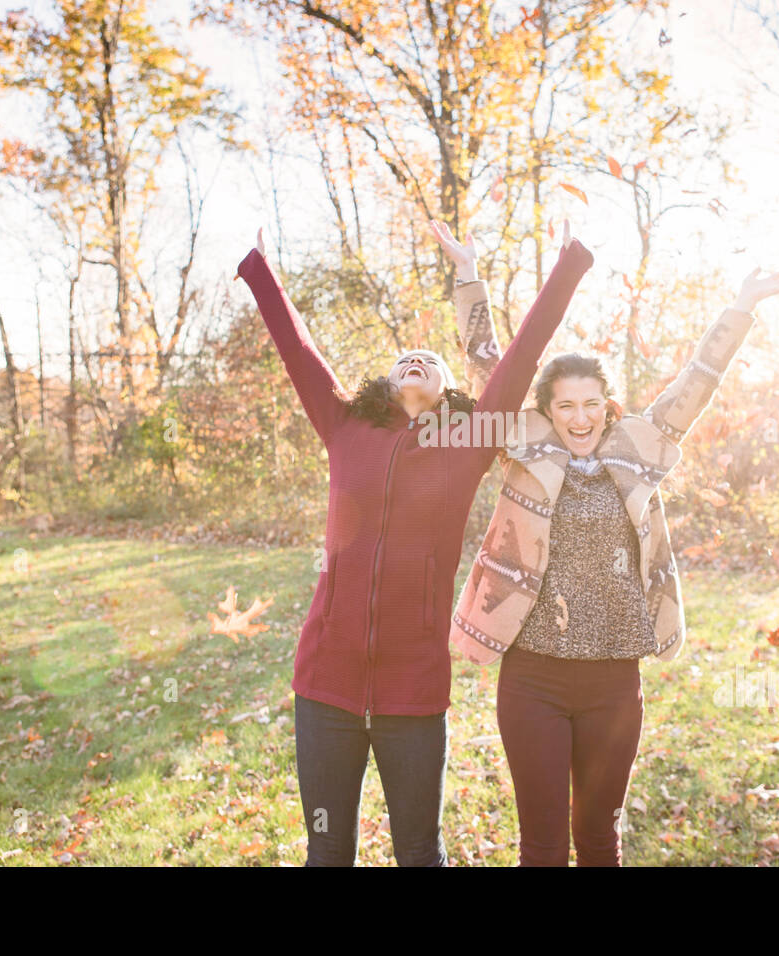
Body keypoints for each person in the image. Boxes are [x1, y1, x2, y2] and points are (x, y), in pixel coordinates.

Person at [235, 221, 594, 866]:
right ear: (386, 380)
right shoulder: (344, 426)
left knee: (419, 853)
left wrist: (568, 264)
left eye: (431, 359)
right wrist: (259, 267)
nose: (417, 357)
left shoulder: (466, 445)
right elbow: (299, 349)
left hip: (413, 691)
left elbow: (521, 358)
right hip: (326, 687)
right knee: (326, 851)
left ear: (449, 389)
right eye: (406, 356)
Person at [450, 265, 779, 866]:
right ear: (547, 410)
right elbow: (488, 363)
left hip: (614, 681)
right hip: (532, 676)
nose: (579, 418)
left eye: (590, 405)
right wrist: (467, 276)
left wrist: (741, 303)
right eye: (565, 406)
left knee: (599, 841)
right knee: (541, 843)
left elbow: (697, 380)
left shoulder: (636, 446)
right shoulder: (525, 444)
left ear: (607, 407)